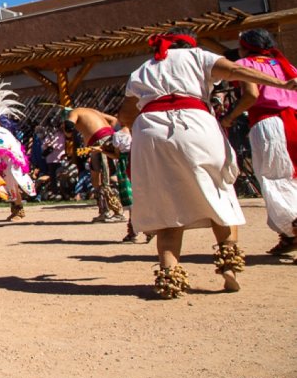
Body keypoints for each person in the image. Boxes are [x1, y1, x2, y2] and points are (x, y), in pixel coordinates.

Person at [118, 27, 297, 298]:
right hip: (195, 123)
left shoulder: (143, 68)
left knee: (166, 203)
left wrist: (144, 131)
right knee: (219, 192)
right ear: (191, 42)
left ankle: (169, 276)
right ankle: (228, 268)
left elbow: (126, 113)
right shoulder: (199, 56)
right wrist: (282, 84)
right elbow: (236, 72)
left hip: (150, 130)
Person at [220, 28, 297, 257]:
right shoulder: (287, 66)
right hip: (293, 120)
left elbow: (251, 95)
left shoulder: (247, 65)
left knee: (274, 178)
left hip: (270, 123)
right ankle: (288, 236)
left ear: (246, 47)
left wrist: (230, 117)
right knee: (292, 176)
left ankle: (293, 228)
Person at [61, 106, 126, 223]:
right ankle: (105, 210)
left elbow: (69, 128)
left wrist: (66, 130)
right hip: (105, 140)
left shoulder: (74, 112)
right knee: (96, 178)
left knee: (105, 178)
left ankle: (117, 210)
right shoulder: (93, 111)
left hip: (100, 142)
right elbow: (114, 120)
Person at [0, 78, 36, 222]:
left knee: (13, 186)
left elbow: (0, 150)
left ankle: (19, 211)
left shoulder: (0, 132)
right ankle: (16, 210)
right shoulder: (0, 132)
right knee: (10, 187)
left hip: (10, 165)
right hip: (7, 165)